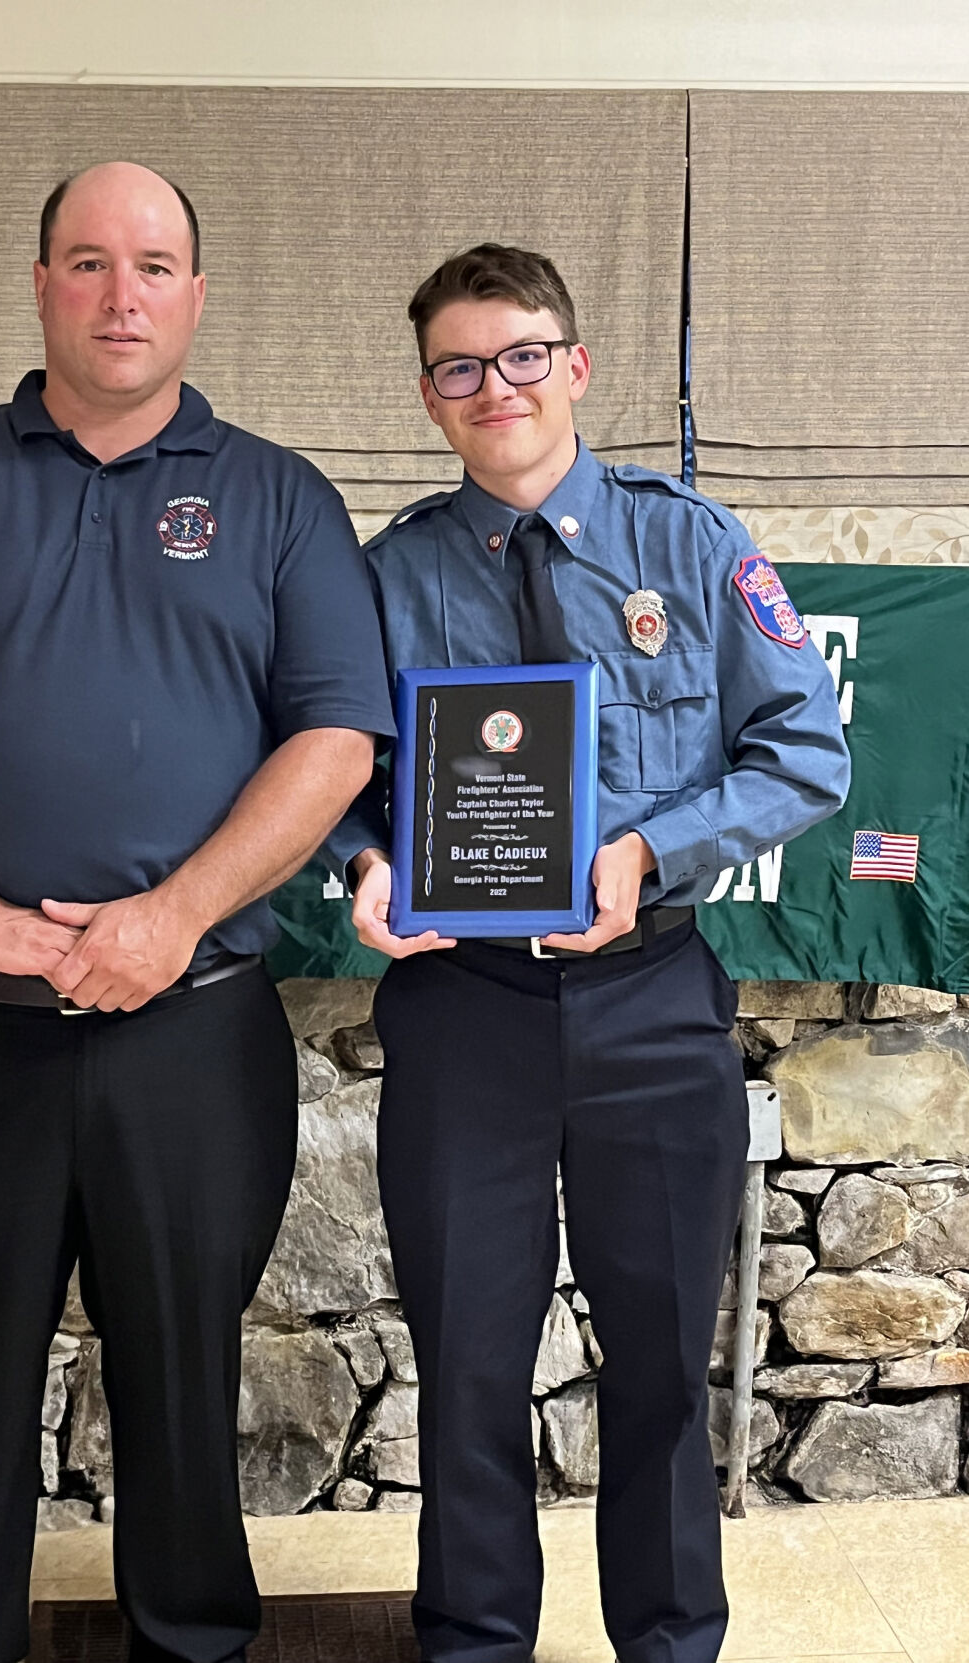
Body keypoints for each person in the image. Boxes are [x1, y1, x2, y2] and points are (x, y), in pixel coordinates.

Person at [0, 161, 395, 1663]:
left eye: (155, 264)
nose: (123, 293)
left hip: (191, 1038)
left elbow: (337, 739)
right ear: (43, 282)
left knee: (186, 1374)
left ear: (197, 293)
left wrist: (173, 916)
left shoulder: (277, 496)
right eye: (89, 261)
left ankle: (188, 1640)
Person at [332, 244, 850, 1663]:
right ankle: (477, 1640)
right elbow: (331, 771)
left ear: (575, 367)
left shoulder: (689, 546)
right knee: (471, 1367)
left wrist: (648, 852)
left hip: (649, 1000)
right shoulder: (385, 580)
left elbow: (808, 748)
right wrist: (365, 864)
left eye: (520, 354)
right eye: (458, 365)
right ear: (428, 395)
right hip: (463, 1008)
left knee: (664, 1367)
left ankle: (672, 1641)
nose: (492, 385)